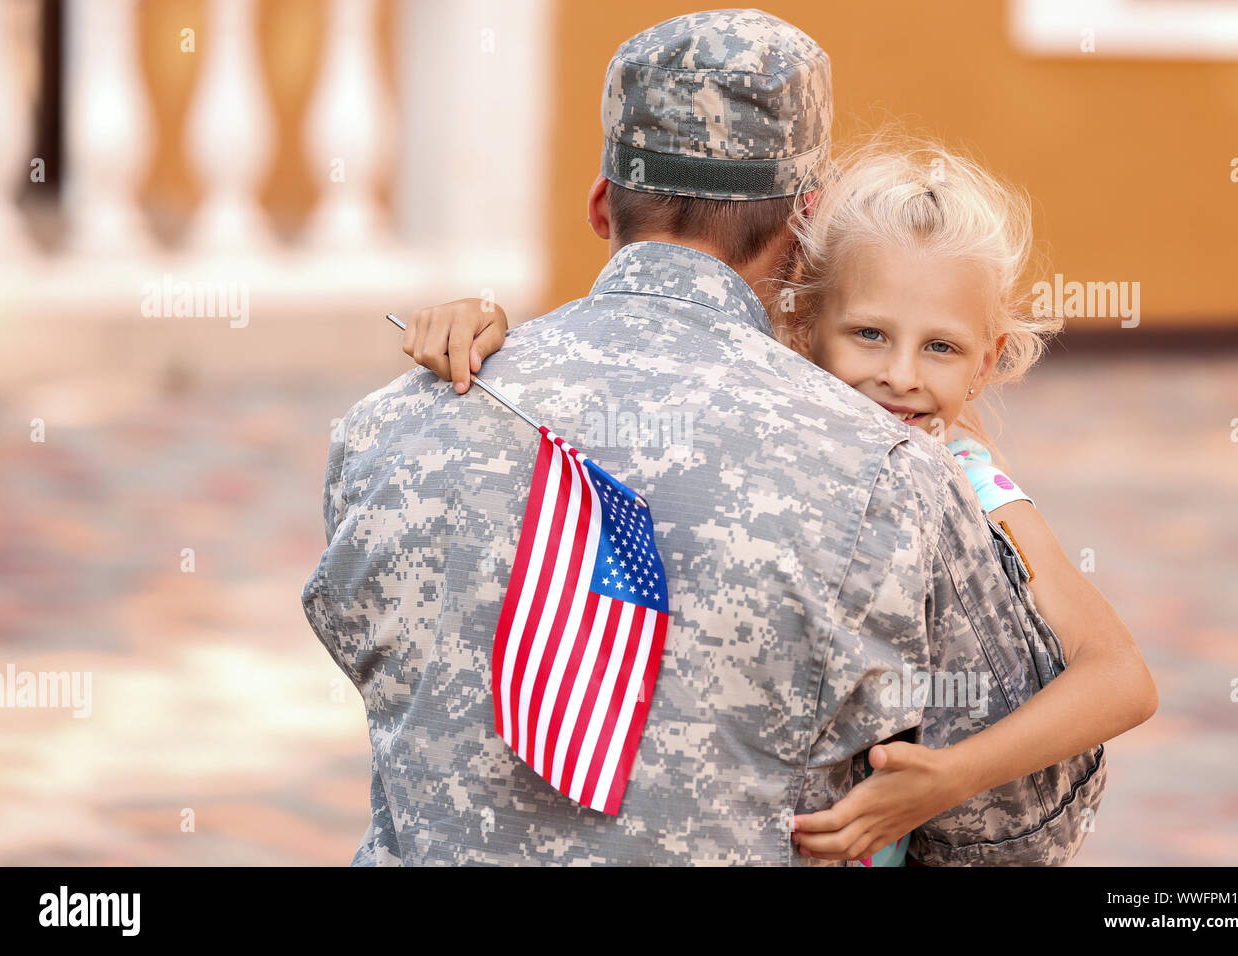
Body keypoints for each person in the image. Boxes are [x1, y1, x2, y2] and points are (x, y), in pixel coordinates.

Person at [305, 9, 1105, 865]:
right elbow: (1018, 821)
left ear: (603, 202)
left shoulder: (396, 420)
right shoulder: (894, 476)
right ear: (806, 226)